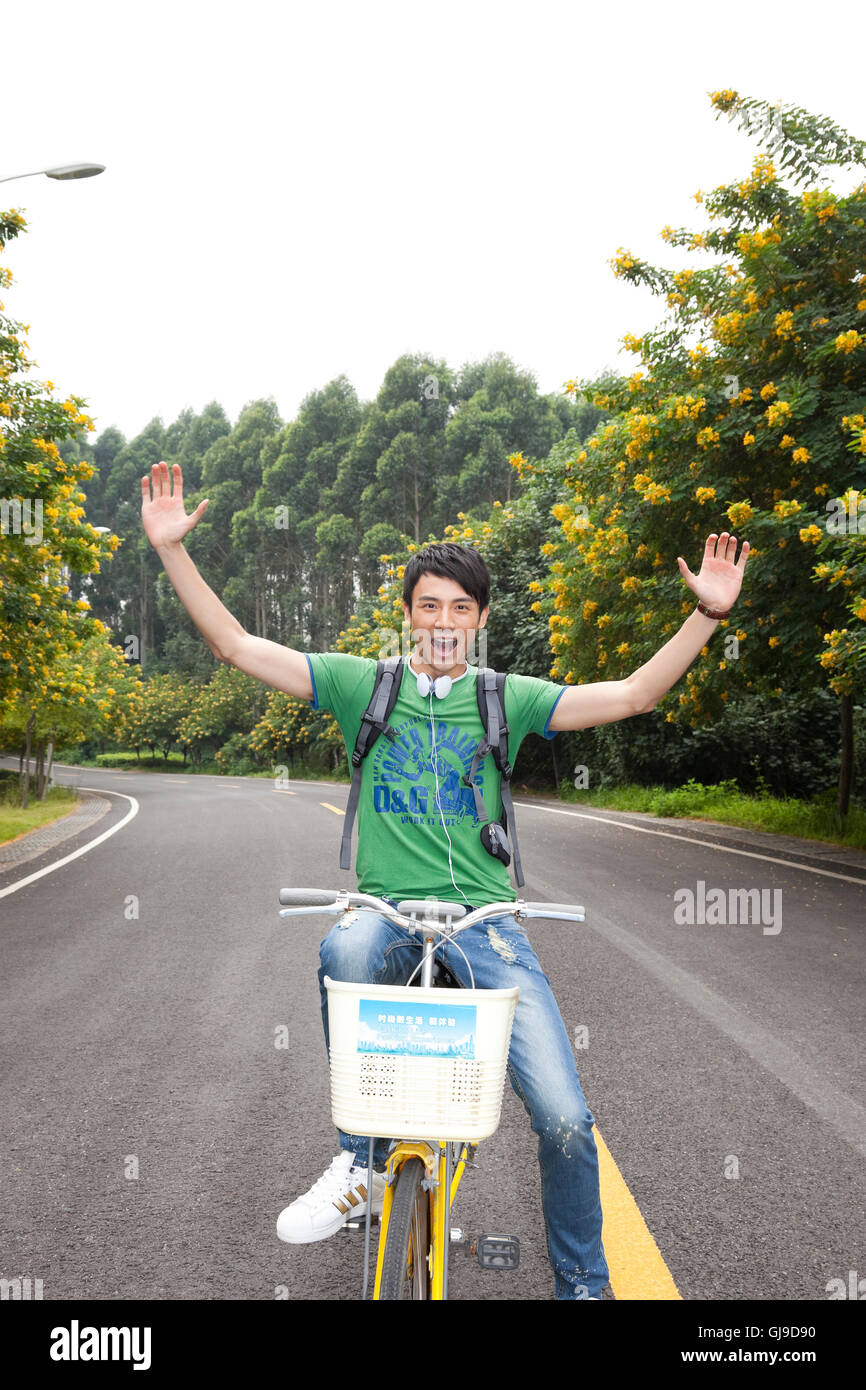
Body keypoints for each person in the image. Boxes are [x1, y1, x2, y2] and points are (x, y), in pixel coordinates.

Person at [142, 460, 750, 1300]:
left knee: (567, 1119)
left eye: (460, 609)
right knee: (343, 944)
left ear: (480, 620)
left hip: (489, 925)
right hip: (387, 911)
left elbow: (636, 694)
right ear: (407, 615)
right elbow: (236, 645)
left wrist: (707, 613)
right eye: (428, 605)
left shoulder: (507, 697)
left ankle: (583, 1285)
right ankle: (358, 1161)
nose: (442, 621)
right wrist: (173, 553)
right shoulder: (366, 685)